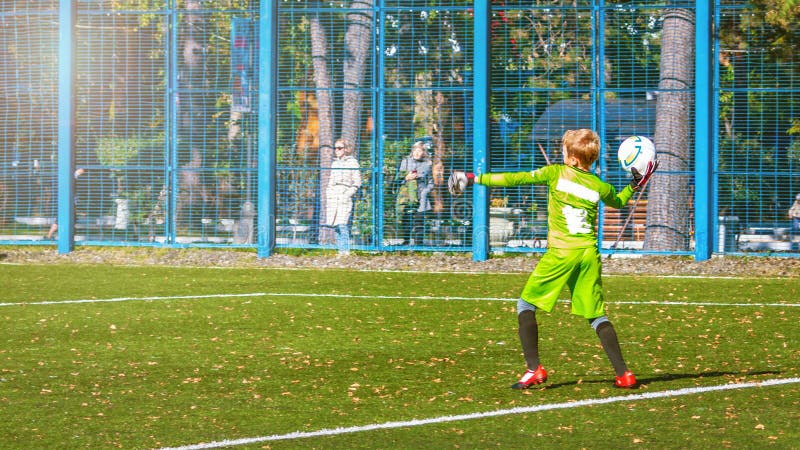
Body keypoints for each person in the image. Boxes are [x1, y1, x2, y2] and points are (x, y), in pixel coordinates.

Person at [448, 129, 658, 389]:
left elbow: (515, 178)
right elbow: (617, 201)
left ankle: (534, 369)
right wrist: (635, 184)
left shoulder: (555, 173)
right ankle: (624, 374)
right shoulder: (599, 186)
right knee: (596, 317)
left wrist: (472, 177)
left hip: (561, 253)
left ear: (572, 159)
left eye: (564, 151)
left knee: (525, 305)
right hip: (588, 255)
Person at [324, 139, 361, 254]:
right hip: (333, 195)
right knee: (335, 224)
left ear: (346, 149)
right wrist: (328, 193)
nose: (337, 150)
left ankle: (346, 250)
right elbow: (330, 180)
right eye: (335, 148)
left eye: (339, 148)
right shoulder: (334, 163)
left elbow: (357, 182)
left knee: (342, 223)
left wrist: (347, 194)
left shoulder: (353, 162)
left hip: (344, 194)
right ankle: (341, 250)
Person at [395, 141, 434, 245]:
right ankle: (406, 241)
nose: (417, 153)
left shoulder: (427, 165)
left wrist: (425, 191)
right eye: (415, 150)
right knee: (406, 219)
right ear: (412, 151)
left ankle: (418, 244)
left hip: (421, 197)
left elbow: (431, 183)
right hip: (407, 196)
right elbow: (398, 179)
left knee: (419, 220)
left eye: (420, 151)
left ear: (423, 152)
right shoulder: (405, 162)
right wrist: (406, 178)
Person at [46, 168, 85, 240]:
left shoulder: (71, 179)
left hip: (68, 202)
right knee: (61, 219)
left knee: (66, 219)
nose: (82, 172)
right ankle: (50, 235)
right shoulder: (72, 179)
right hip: (67, 203)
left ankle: (51, 235)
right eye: (81, 171)